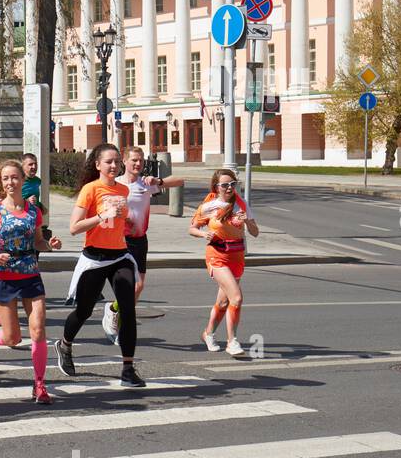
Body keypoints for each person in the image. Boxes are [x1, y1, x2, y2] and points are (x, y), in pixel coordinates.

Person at [0, 159, 63, 402]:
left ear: (23, 180)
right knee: (13, 338)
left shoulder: (34, 211)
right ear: (1, 184)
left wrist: (49, 245)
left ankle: (40, 385)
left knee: (38, 328)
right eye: (6, 179)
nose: (11, 182)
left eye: (15, 177)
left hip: (30, 274)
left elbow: (37, 242)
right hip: (3, 277)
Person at [57, 143, 144, 387]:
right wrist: (101, 217)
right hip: (94, 259)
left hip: (119, 256)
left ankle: (128, 368)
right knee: (84, 311)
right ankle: (64, 345)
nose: (114, 165)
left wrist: (126, 219)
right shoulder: (90, 189)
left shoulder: (124, 190)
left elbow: (123, 220)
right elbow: (74, 228)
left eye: (117, 161)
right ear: (97, 165)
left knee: (128, 309)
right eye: (109, 162)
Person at [105, 146, 186, 341]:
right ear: (124, 161)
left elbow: (180, 181)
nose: (138, 163)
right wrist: (122, 221)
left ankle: (115, 310)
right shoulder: (115, 186)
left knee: (138, 287)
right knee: (129, 286)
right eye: (134, 160)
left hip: (140, 240)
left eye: (141, 160)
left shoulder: (145, 184)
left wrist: (158, 180)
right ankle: (123, 325)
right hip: (120, 241)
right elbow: (107, 219)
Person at [189, 168, 259, 358]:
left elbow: (255, 232)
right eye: (225, 185)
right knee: (236, 297)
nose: (229, 188)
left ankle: (208, 333)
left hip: (237, 256)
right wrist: (204, 233)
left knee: (223, 301)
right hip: (217, 255)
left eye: (232, 184)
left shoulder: (241, 205)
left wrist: (248, 222)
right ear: (216, 187)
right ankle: (232, 341)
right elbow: (192, 228)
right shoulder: (209, 206)